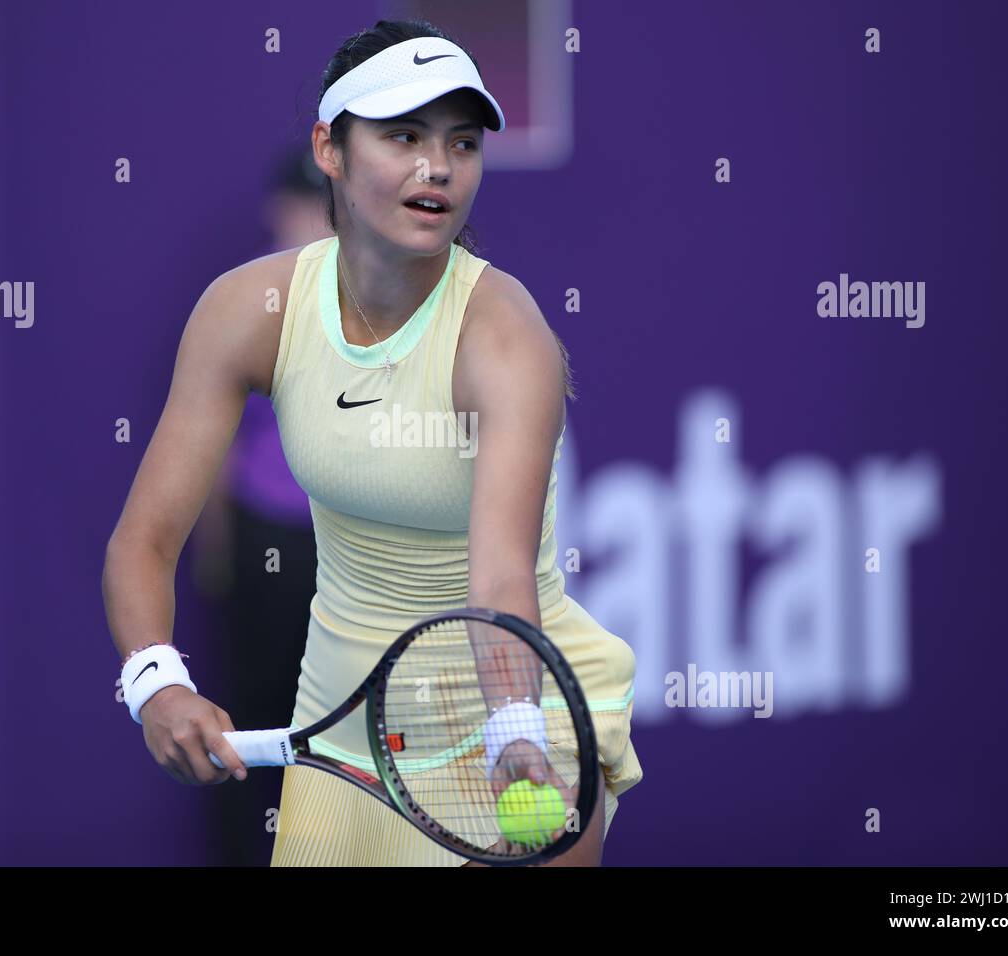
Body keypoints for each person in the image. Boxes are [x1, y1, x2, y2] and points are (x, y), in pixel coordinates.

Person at [102, 18, 642, 867]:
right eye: (404, 135)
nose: (438, 166)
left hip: (515, 710)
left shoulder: (505, 338)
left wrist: (516, 734)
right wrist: (155, 683)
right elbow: (144, 541)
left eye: (461, 142)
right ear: (329, 147)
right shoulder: (248, 311)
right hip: (343, 722)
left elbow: (500, 574)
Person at [190, 147, 328, 865]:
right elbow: (213, 451)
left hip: (344, 552)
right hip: (263, 543)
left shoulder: (370, 300)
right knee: (252, 727)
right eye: (300, 206)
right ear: (279, 210)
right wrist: (220, 555)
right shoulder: (245, 307)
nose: (309, 221)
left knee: (334, 735)